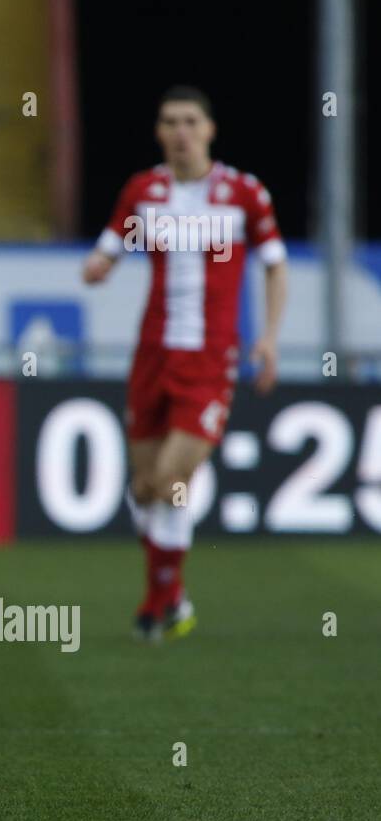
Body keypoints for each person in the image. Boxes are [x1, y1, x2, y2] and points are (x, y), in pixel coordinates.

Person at [82, 85, 287, 642]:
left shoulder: (243, 194)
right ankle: (172, 597)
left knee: (173, 480)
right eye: (170, 121)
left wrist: (267, 338)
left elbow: (274, 265)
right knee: (145, 487)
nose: (180, 131)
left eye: (190, 121)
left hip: (210, 359)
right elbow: (112, 245)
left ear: (210, 130)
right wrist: (98, 266)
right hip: (152, 354)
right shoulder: (143, 191)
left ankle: (159, 603)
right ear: (158, 132)